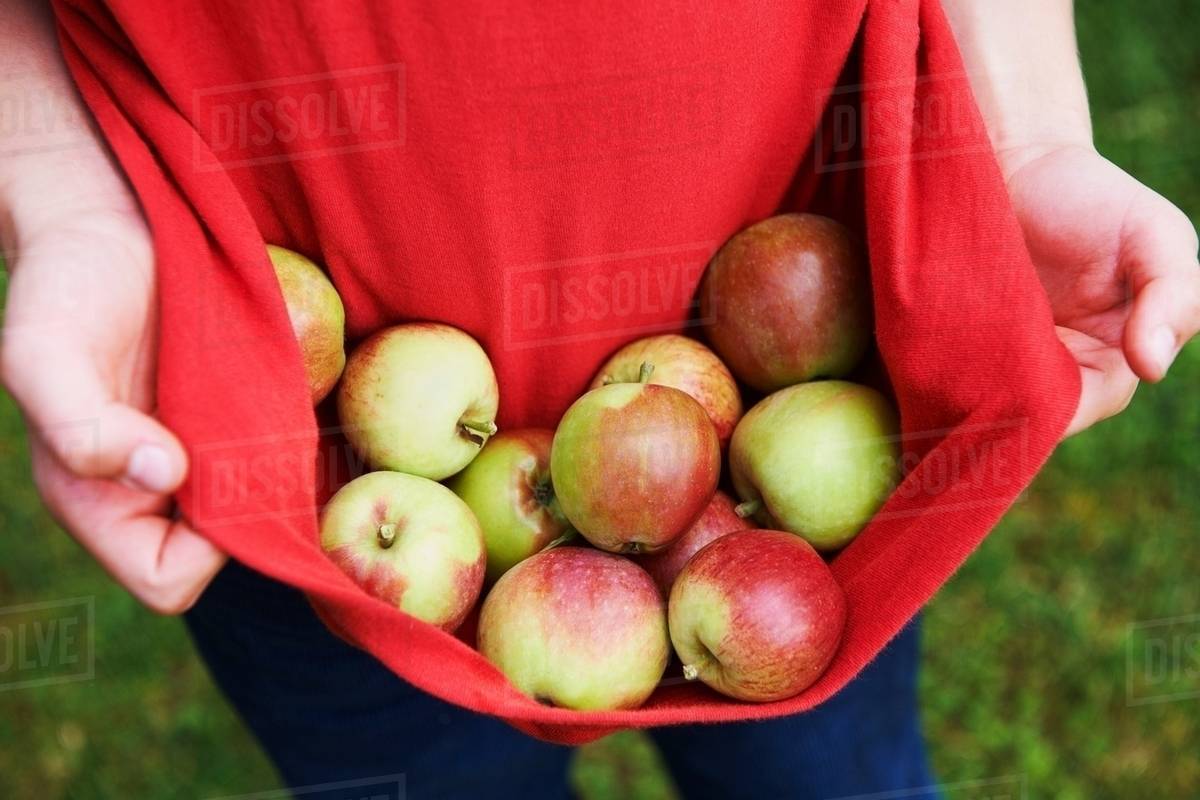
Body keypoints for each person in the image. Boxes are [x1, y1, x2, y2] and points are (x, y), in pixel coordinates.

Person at [2, 1, 1197, 797]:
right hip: (297, 453)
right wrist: (57, 182)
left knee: (829, 772)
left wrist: (1028, 130)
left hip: (785, 475)